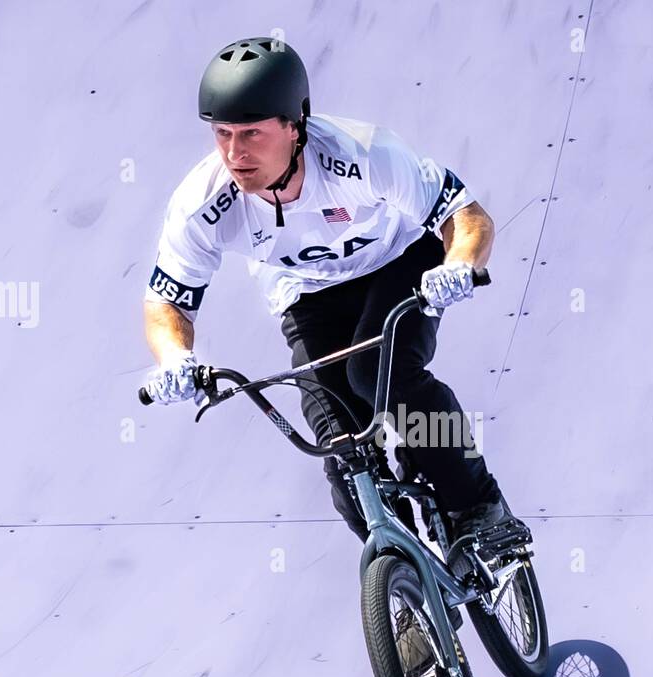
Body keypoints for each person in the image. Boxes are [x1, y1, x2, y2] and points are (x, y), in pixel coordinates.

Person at [142, 36, 525, 545]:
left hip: (397, 262)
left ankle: (482, 505)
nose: (235, 153)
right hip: (307, 294)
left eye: (252, 133)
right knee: (339, 444)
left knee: (381, 377)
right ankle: (403, 584)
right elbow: (166, 300)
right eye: (223, 134)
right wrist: (174, 358)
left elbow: (468, 217)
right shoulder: (202, 202)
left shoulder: (365, 154)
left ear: (294, 126)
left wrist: (457, 265)